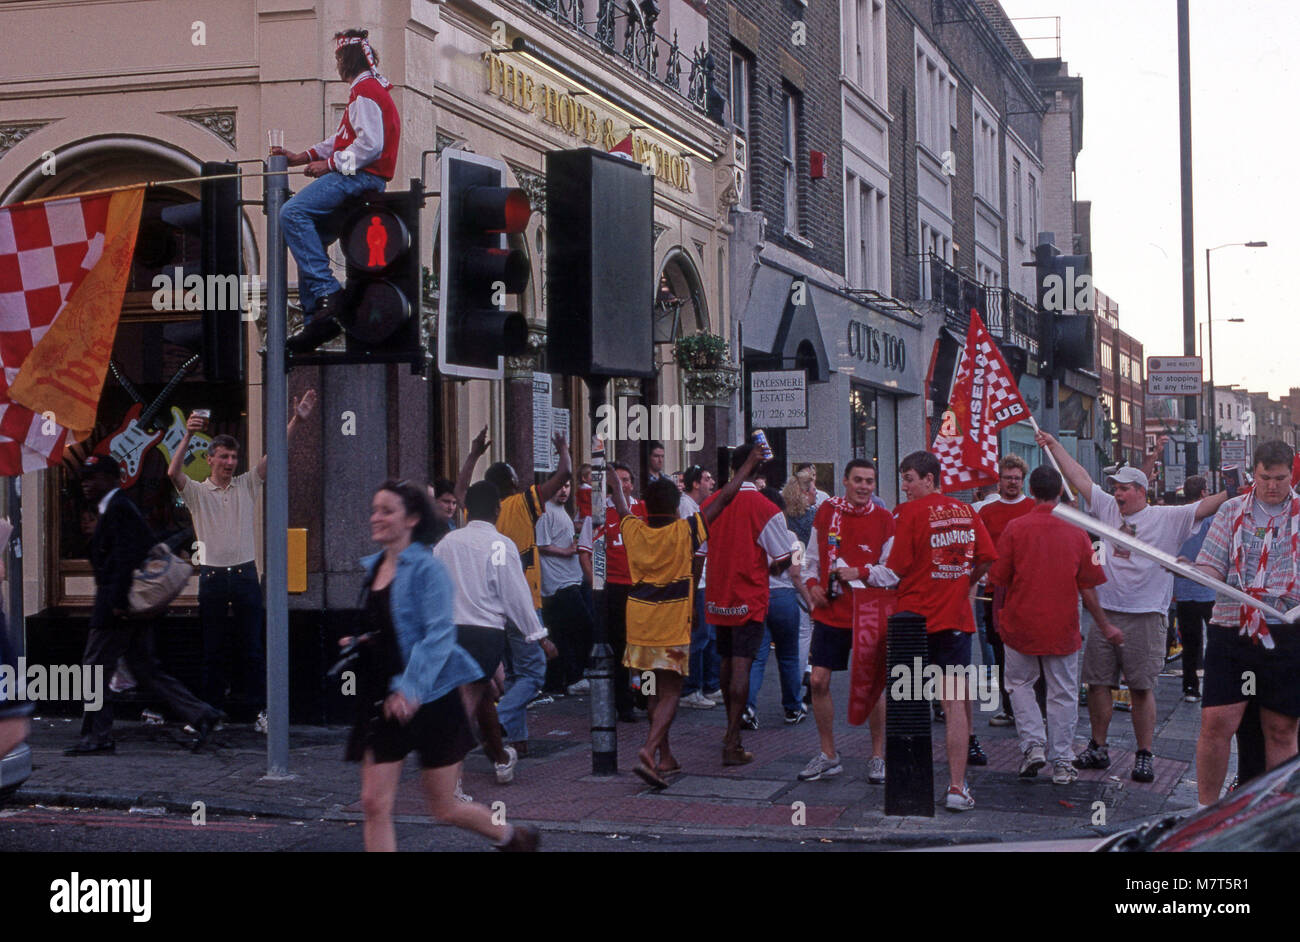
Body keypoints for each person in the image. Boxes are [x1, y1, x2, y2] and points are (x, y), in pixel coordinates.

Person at [344, 480, 536, 851]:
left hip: (431, 698)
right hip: (382, 699)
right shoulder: (374, 568)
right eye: (375, 509)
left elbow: (438, 636)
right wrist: (359, 641)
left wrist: (410, 691)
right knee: (373, 803)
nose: (375, 518)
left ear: (412, 518)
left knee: (444, 807)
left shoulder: (428, 569)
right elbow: (388, 627)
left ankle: (511, 837)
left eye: (387, 511)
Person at [1036, 430, 1227, 783]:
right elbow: (1078, 476)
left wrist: (1235, 489)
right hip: (1106, 611)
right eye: (1116, 487)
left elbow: (1205, 506)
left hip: (1146, 614)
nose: (1117, 493)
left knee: (1141, 687)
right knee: (1097, 683)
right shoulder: (1107, 508)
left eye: (1124, 488)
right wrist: (1053, 444)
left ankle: (1144, 753)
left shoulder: (1167, 518)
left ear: (1141, 491)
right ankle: (1098, 746)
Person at [610, 448, 762, 787]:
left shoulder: (633, 529)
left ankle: (665, 758)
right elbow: (725, 499)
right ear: (677, 507)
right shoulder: (685, 531)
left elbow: (621, 504)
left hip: (638, 627)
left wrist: (609, 475)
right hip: (670, 626)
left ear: (646, 507)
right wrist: (749, 464)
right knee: (671, 691)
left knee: (652, 690)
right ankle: (649, 749)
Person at [168, 390, 316, 732]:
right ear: (210, 459)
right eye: (223, 457)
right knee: (213, 651)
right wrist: (188, 433)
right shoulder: (197, 492)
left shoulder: (247, 485)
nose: (230, 463)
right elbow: (173, 472)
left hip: (246, 575)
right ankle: (210, 714)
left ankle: (263, 713)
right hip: (213, 578)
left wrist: (297, 420)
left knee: (252, 649)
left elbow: (274, 455)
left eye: (233, 457)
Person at [66, 456, 223, 755]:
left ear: (112, 479)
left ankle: (97, 737)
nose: (86, 483)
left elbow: (126, 557)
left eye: (93, 477)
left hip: (118, 609)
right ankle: (203, 715)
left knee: (93, 670)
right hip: (129, 607)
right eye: (84, 478)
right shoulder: (113, 508)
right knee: (146, 669)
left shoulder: (118, 508)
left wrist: (117, 604)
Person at [876, 450, 997, 811]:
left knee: (908, 701)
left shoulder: (910, 513)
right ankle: (957, 787)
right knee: (954, 702)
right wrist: (964, 584)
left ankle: (909, 784)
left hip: (914, 618)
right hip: (956, 619)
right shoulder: (967, 512)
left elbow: (894, 569)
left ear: (929, 479)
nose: (905, 486)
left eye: (910, 479)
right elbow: (988, 557)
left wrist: (860, 572)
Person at [988, 466, 1118, 785]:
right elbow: (1089, 586)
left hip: (1020, 623)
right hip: (1062, 626)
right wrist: (1105, 625)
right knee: (1063, 692)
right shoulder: (1077, 532)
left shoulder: (1015, 528)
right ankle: (1062, 759)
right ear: (1060, 491)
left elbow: (998, 577)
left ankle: (1033, 745)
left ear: (1031, 492)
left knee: (1019, 685)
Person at [275, 29, 402, 351]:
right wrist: (303, 157)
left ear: (346, 60)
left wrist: (329, 164)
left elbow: (370, 147)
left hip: (361, 176)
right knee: (311, 238)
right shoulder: (368, 92)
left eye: (337, 58)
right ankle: (317, 319)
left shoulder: (364, 93)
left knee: (292, 212)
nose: (336, 65)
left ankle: (328, 294)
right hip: (365, 175)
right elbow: (343, 138)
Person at [1192, 440, 1300, 808]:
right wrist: (1196, 572)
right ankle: (1205, 812)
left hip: (1285, 632)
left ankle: (1274, 814)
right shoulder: (1231, 511)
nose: (1272, 486)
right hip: (1232, 628)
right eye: (1265, 477)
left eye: (1280, 478)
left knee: (1282, 726)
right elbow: (1211, 563)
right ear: (1253, 473)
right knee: (1218, 721)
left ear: (1291, 475)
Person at [433, 481, 556, 784]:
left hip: (450, 632)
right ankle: (451, 774)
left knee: (483, 695)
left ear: (465, 509)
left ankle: (500, 759)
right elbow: (516, 596)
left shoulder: (447, 543)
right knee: (471, 699)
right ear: (498, 510)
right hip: (485, 634)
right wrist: (538, 636)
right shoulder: (501, 545)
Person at [456, 426, 570, 752]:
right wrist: (562, 448)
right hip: (523, 603)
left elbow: (462, 487)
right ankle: (495, 718)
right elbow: (564, 475)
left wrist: (475, 452)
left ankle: (517, 742)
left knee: (514, 677)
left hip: (488, 607)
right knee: (533, 676)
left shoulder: (477, 511)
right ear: (513, 485)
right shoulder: (524, 504)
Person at [798, 459, 896, 784]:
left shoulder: (884, 519)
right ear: (845, 481)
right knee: (818, 682)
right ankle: (829, 754)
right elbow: (810, 560)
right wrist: (812, 587)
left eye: (869, 481)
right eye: (858, 480)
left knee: (872, 685)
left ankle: (878, 756)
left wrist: (861, 572)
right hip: (831, 613)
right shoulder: (828, 512)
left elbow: (892, 572)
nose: (864, 486)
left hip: (869, 612)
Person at [702, 443, 794, 765]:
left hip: (717, 595)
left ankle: (732, 733)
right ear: (758, 471)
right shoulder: (766, 509)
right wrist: (772, 568)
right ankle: (732, 738)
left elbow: (697, 553)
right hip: (748, 596)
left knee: (726, 663)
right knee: (742, 663)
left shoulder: (711, 503)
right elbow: (785, 556)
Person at [973, 455, 1034, 727]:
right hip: (992, 590)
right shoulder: (986, 512)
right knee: (998, 649)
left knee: (1029, 647)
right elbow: (976, 549)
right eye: (1008, 478)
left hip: (1026, 591)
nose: (1012, 482)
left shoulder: (1033, 508)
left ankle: (1032, 706)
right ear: (999, 480)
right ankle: (1009, 707)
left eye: (1017, 478)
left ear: (1023, 480)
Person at [743, 487, 809, 730]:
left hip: (759, 596)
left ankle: (748, 707)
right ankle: (793, 707)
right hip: (785, 597)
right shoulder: (793, 540)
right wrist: (810, 603)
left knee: (758, 656)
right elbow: (796, 574)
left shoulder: (752, 536)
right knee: (789, 656)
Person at [598, 462, 648, 721]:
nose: (624, 485)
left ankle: (645, 694)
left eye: (627, 479)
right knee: (620, 650)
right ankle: (624, 704)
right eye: (619, 481)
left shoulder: (642, 509)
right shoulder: (600, 513)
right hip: (616, 588)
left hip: (642, 586)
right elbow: (592, 554)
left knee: (646, 647)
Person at [536, 476, 593, 696]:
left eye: (567, 486)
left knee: (562, 634)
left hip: (569, 579)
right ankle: (573, 676)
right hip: (558, 583)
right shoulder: (546, 512)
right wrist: (568, 551)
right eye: (560, 486)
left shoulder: (561, 511)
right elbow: (542, 544)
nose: (564, 491)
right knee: (584, 627)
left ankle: (561, 682)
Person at [678, 465, 720, 709]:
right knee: (699, 634)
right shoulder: (686, 507)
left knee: (708, 634)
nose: (711, 483)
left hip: (703, 579)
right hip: (696, 580)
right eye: (707, 478)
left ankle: (709, 684)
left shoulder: (696, 508)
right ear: (696, 483)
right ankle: (689, 689)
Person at [1173, 475, 1215, 702]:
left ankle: (1190, 688)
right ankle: (1215, 685)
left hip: (1183, 590)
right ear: (1202, 494)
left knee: (1190, 643)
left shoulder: (1177, 518)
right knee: (1215, 641)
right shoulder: (1211, 519)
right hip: (1209, 588)